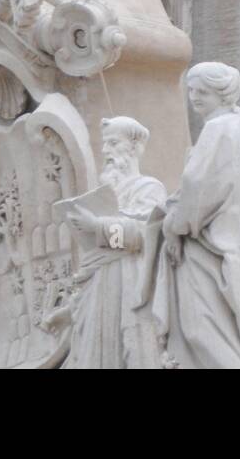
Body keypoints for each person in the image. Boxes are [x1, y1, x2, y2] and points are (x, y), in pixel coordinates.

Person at [44, 116, 166, 369]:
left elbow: (141, 237)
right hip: (99, 284)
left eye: (112, 143)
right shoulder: (108, 192)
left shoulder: (148, 188)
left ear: (132, 148)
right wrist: (69, 311)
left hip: (129, 282)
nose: (105, 151)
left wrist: (96, 226)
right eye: (105, 144)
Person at [152, 62, 240, 368]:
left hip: (209, 245)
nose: (194, 97)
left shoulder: (219, 129)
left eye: (202, 91)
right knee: (223, 329)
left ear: (222, 94)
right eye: (191, 89)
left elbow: (198, 189)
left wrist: (172, 225)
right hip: (232, 238)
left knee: (201, 329)